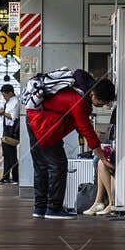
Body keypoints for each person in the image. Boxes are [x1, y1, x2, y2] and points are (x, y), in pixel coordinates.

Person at [25, 70, 117, 219]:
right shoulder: (79, 101)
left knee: (41, 166)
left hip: (34, 119)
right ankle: (53, 208)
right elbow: (88, 132)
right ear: (94, 95)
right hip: (43, 126)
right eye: (103, 102)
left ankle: (40, 207)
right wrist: (104, 159)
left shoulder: (78, 89)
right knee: (59, 165)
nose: (103, 105)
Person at [0, 83, 21, 185]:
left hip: (10, 132)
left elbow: (13, 117)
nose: (4, 97)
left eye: (4, 95)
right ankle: (6, 177)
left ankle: (15, 178)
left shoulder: (15, 102)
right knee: (7, 156)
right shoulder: (8, 102)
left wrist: (1, 112)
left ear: (10, 93)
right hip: (5, 132)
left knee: (12, 156)